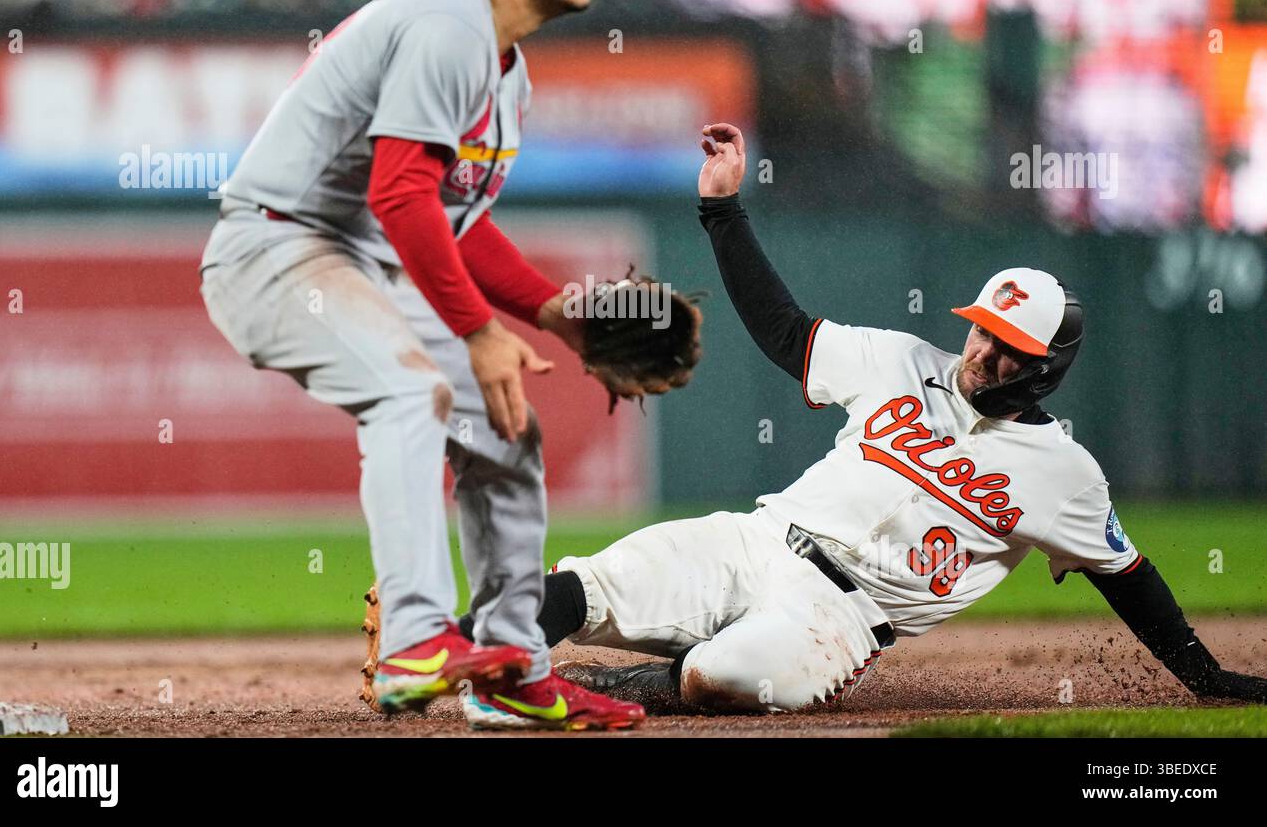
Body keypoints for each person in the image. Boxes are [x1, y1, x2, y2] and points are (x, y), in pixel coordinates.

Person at [464, 122, 1267, 716]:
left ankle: (585, 689)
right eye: (984, 327)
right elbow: (784, 330)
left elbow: (1130, 580)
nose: (985, 349)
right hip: (760, 539)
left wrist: (1204, 677)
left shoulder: (1066, 476)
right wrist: (722, 212)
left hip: (842, 616)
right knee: (597, 583)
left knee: (727, 676)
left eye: (1010, 345)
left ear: (1047, 366)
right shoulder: (900, 360)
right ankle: (454, 643)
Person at [199, 0, 644, 732]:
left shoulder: (506, 73)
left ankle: (512, 669)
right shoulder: (449, 27)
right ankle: (415, 638)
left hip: (355, 261)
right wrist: (479, 331)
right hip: (276, 247)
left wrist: (558, 315)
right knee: (410, 390)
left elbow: (452, 225)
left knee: (505, 431)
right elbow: (402, 198)